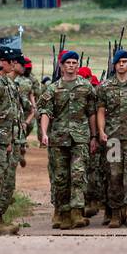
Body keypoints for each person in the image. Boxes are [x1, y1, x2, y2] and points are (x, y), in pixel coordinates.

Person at [41, 50, 98, 229]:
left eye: (74, 63)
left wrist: (94, 135)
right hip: (59, 138)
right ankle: (62, 212)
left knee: (78, 174)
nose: (71, 66)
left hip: (80, 137)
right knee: (60, 177)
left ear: (77, 65)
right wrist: (44, 133)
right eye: (68, 63)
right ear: (62, 65)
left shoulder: (86, 87)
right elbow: (46, 112)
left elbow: (92, 113)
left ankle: (76, 212)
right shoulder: (52, 88)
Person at [97, 49, 127, 228]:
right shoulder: (105, 87)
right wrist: (101, 131)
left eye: (125, 61)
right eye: (118, 62)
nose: (121, 64)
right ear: (114, 64)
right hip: (113, 138)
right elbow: (101, 111)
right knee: (114, 175)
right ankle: (116, 213)